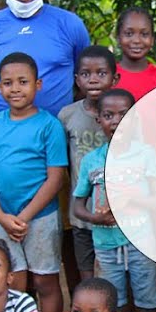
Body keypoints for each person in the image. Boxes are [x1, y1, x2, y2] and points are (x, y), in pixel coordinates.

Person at [0, 52, 69, 312]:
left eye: (23, 82)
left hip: (40, 218)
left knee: (45, 283)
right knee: (12, 284)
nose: (15, 88)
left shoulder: (49, 125)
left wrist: (25, 216)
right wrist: (1, 217)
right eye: (7, 83)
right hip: (1, 217)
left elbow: (55, 178)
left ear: (38, 85)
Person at [73, 88, 156, 312]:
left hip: (141, 245)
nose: (116, 121)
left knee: (148, 309)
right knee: (116, 309)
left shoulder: (145, 155)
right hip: (105, 246)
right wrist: (95, 217)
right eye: (108, 115)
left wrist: (135, 198)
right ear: (98, 120)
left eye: (123, 115)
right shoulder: (91, 161)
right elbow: (78, 205)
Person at [58, 46, 119, 295]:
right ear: (76, 80)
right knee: (87, 274)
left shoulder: (124, 113)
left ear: (114, 79)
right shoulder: (67, 115)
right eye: (85, 74)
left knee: (119, 277)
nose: (93, 79)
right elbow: (63, 166)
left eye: (101, 73)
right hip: (82, 215)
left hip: (118, 217)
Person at [114, 7, 156, 101]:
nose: (137, 40)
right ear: (118, 38)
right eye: (129, 34)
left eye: (144, 34)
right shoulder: (109, 76)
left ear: (152, 39)